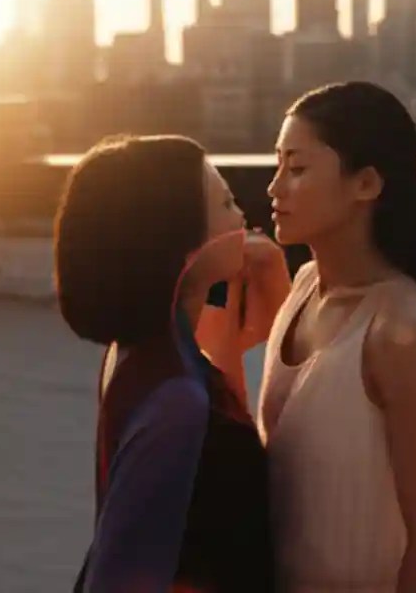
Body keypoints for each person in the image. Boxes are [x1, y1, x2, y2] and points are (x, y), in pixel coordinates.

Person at [245, 81, 416, 592]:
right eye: (277, 165)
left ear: (365, 184)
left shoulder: (402, 325)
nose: (274, 188)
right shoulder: (302, 289)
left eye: (296, 169)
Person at [56, 134, 287, 592]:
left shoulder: (138, 353)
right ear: (181, 240)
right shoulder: (176, 399)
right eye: (226, 203)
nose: (243, 216)